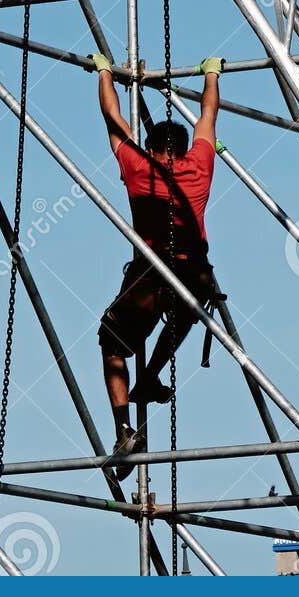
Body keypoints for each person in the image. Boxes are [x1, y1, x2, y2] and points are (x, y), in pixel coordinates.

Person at [91, 51, 224, 476]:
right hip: (194, 272)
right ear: (186, 148)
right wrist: (211, 74)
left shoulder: (137, 165)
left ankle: (124, 427)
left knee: (111, 342)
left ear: (150, 146)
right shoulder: (201, 164)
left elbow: (112, 118)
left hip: (151, 271)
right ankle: (149, 375)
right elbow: (208, 113)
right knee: (186, 311)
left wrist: (105, 73)